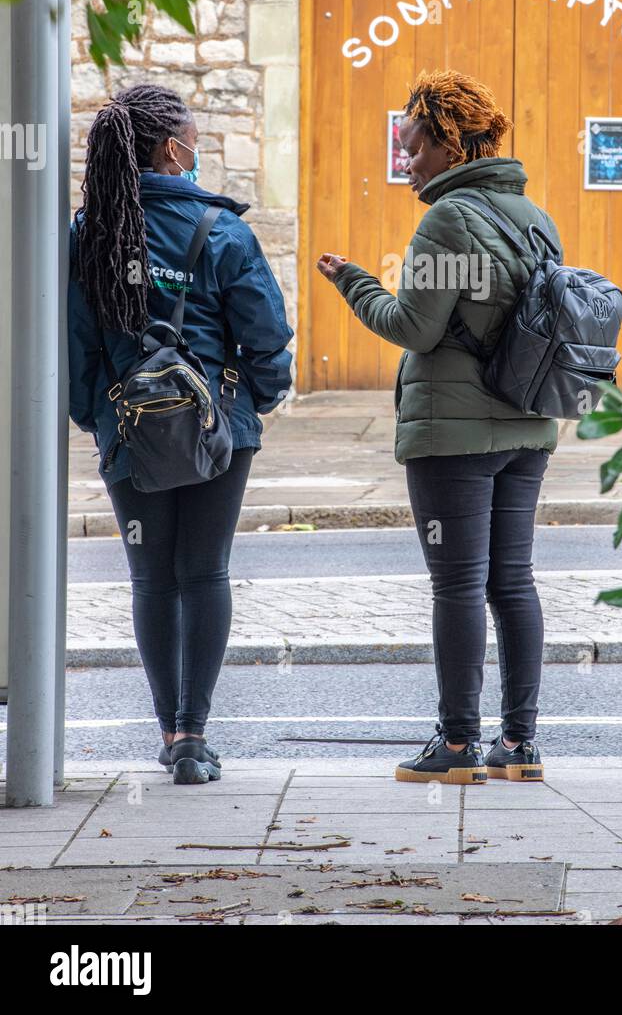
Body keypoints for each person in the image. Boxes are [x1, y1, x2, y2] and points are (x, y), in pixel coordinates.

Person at [317, 68, 563, 786]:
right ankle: (518, 746)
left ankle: (456, 747)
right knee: (512, 582)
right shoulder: (533, 215)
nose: (407, 160)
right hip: (528, 422)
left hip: (454, 433)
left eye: (413, 145)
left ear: (449, 143)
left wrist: (354, 282)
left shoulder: (446, 219)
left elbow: (415, 328)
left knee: (457, 586)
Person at [68, 84, 293, 784]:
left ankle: (167, 728)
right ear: (173, 149)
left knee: (151, 579)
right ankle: (194, 735)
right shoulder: (221, 230)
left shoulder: (89, 233)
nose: (197, 149)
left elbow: (76, 344)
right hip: (217, 427)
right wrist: (255, 399)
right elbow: (266, 335)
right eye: (193, 137)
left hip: (128, 425)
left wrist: (96, 414)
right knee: (205, 570)